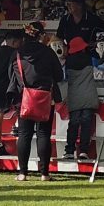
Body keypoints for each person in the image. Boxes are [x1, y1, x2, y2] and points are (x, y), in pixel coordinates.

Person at [9, 25, 63, 181]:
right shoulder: (48, 52)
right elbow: (59, 75)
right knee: (44, 134)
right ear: (41, 35)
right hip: (46, 98)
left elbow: (11, 76)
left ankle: (22, 173)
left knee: (24, 134)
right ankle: (45, 173)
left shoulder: (17, 54)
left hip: (24, 98)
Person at [58, 0, 104, 160]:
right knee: (85, 119)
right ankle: (83, 150)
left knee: (75, 120)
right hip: (87, 96)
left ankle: (69, 150)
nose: (70, 7)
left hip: (75, 97)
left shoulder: (69, 63)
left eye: (72, 4)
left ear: (80, 5)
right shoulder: (89, 60)